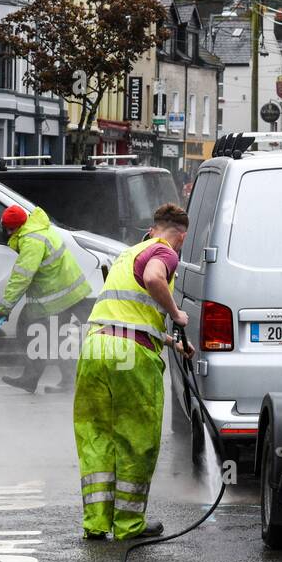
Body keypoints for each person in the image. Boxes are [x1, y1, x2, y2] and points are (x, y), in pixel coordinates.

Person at [73, 203, 194, 541]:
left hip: (96, 346)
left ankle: (96, 523)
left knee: (96, 436)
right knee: (135, 438)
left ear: (152, 227)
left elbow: (128, 317)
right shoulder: (164, 251)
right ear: (179, 236)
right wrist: (177, 313)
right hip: (130, 357)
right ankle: (128, 525)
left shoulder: (128, 254)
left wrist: (173, 343)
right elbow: (155, 278)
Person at [0, 203, 94, 393]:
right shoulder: (37, 228)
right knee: (53, 336)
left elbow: (21, 277)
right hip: (65, 290)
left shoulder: (31, 241)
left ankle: (47, 380)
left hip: (60, 295)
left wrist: (4, 309)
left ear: (11, 228)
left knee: (45, 336)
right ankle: (53, 380)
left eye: (4, 228)